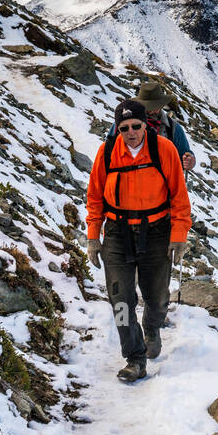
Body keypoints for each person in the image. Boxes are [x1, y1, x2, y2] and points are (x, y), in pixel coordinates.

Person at [86, 98, 190, 382]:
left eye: (136, 126)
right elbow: (95, 197)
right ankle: (134, 357)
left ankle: (152, 326)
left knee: (156, 298)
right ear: (117, 128)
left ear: (145, 125)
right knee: (120, 299)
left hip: (156, 231)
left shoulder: (164, 150)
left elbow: (179, 198)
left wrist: (178, 237)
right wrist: (94, 238)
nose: (130, 132)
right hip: (118, 234)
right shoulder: (107, 153)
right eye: (124, 127)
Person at [107, 81, 196, 172]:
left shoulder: (174, 129)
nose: (150, 111)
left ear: (161, 105)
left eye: (154, 107)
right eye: (147, 107)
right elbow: (107, 151)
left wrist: (190, 161)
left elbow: (185, 155)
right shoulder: (122, 124)